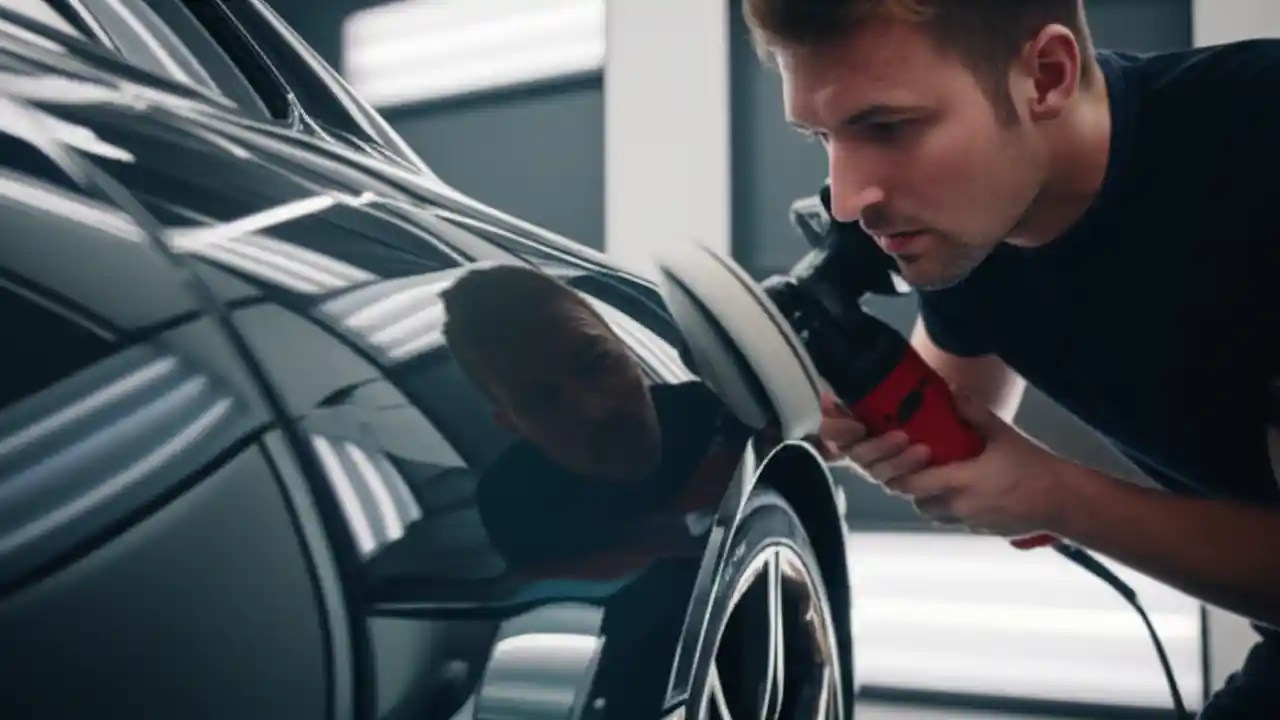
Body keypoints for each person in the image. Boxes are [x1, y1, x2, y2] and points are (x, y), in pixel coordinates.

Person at [744, 0, 1280, 715]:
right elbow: (953, 410)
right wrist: (832, 405)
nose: (847, 200)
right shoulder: (979, 223)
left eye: (888, 128)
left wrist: (1057, 496)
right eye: (822, 137)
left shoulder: (1260, 138)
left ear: (1047, 75)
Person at [440, 263, 745, 578]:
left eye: (597, 363)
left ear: (627, 350)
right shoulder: (514, 501)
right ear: (511, 422)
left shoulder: (726, 411)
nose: (593, 407)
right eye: (541, 399)